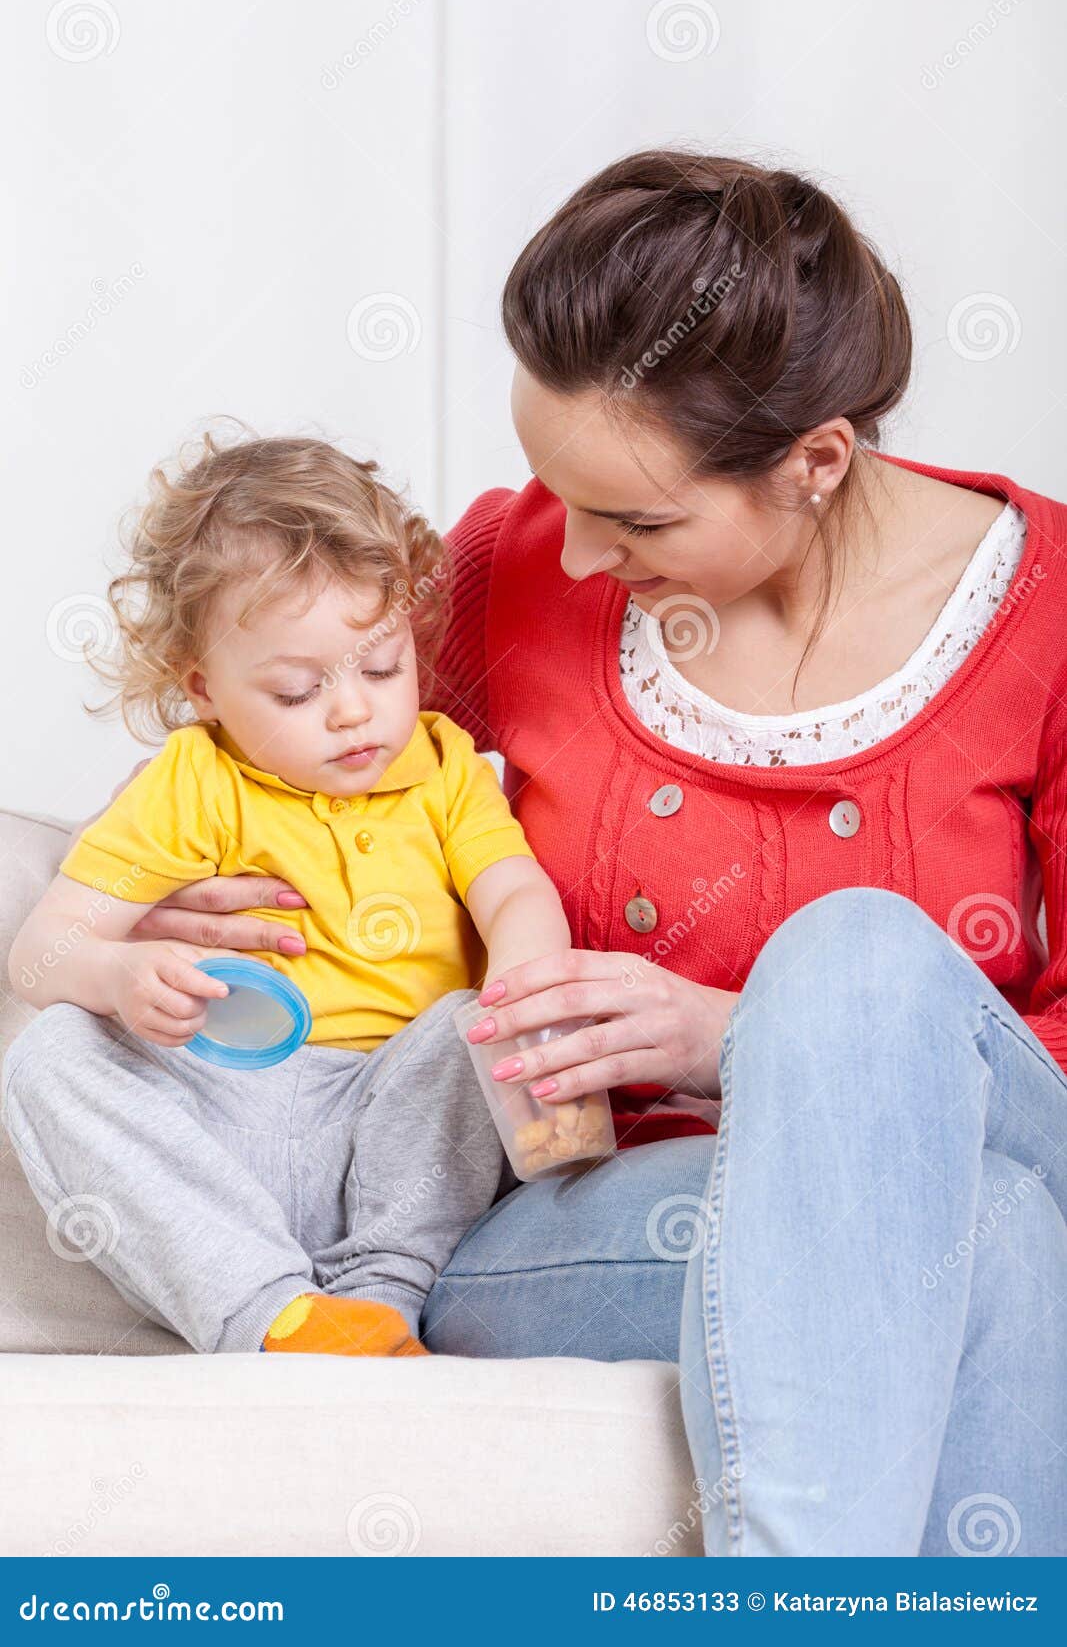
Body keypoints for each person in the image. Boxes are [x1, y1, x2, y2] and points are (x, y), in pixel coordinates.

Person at [43, 152, 1067, 1556]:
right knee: (993, 1237)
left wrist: (743, 1036)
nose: (572, 556)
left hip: (977, 1142)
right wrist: (180, 917)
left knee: (865, 973)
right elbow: (336, 790)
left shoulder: (1047, 614)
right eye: (550, 488)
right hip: (590, 1214)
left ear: (814, 461)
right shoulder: (508, 570)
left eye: (635, 518)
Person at [2, 433, 569, 1360]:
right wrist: (117, 970)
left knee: (469, 1023)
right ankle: (269, 1314)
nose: (354, 711)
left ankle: (382, 1301)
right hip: (233, 1116)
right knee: (49, 1057)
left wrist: (522, 968)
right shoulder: (193, 782)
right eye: (300, 691)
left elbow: (513, 891)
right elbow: (40, 954)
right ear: (206, 689)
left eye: (381, 668)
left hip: (399, 1129)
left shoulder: (442, 769)